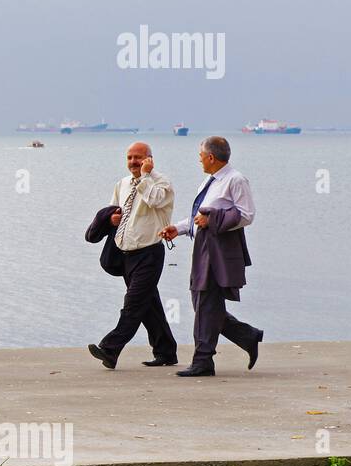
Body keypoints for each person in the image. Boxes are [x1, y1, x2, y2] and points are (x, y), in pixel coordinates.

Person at [160, 136, 264, 377]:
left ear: (211, 157)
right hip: (204, 246)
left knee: (206, 301)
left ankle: (203, 360)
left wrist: (213, 219)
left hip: (221, 249)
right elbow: (199, 216)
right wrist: (179, 228)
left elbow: (247, 215)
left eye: (200, 156)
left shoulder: (235, 180)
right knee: (202, 300)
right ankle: (247, 335)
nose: (199, 160)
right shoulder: (210, 181)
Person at [87, 142, 179, 369]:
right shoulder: (122, 184)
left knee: (134, 304)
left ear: (149, 159)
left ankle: (110, 349)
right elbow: (113, 210)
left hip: (149, 253)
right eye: (129, 157)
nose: (133, 162)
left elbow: (155, 200)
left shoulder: (161, 183)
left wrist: (146, 176)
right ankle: (166, 351)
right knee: (149, 306)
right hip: (126, 254)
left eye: (138, 157)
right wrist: (111, 220)